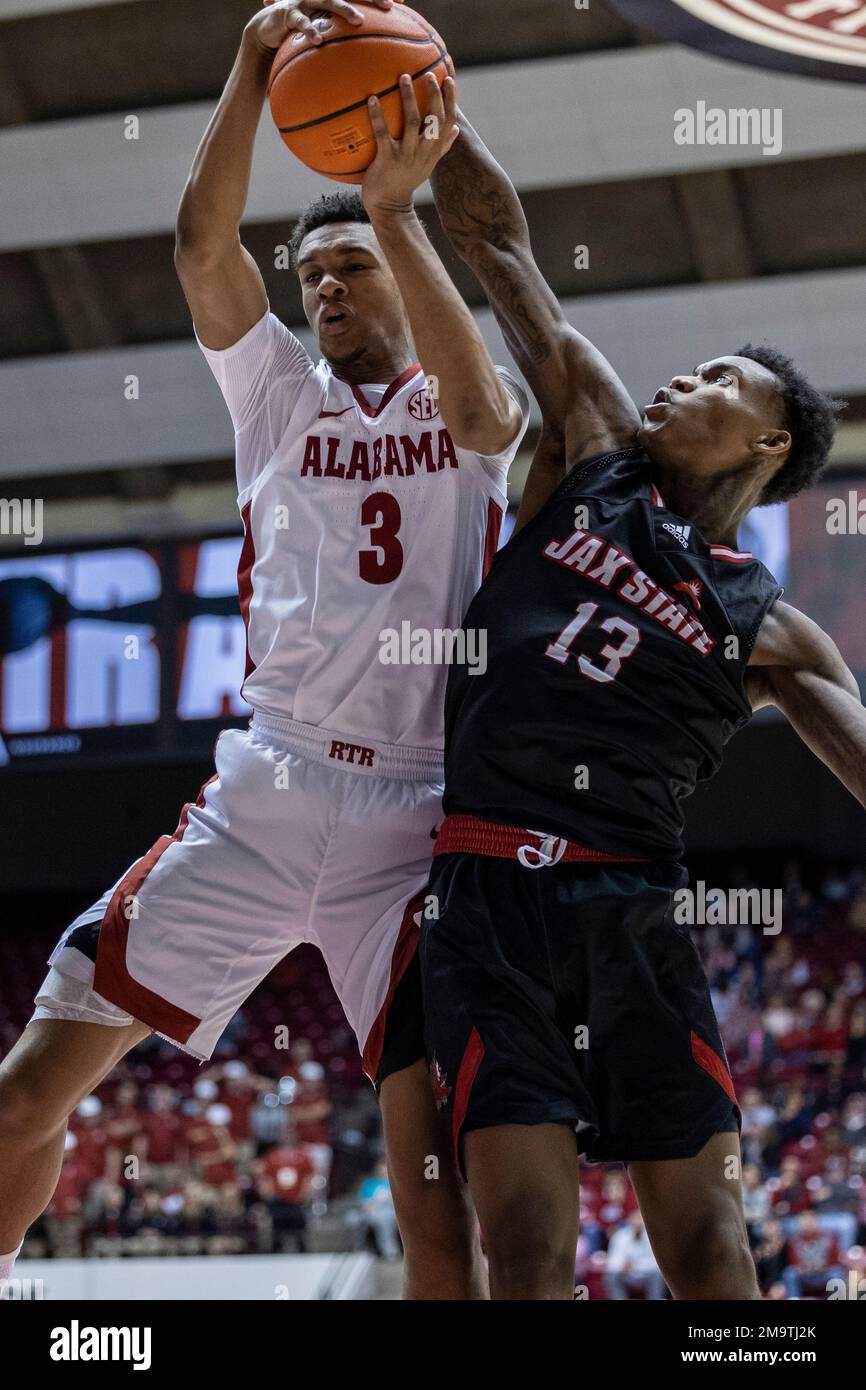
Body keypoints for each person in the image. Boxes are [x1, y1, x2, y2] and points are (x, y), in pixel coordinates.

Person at [0, 1, 529, 1301]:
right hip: (268, 789)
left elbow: (484, 410)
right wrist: (248, 65)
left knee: (434, 1195)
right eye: (313, 279)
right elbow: (198, 245)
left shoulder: (463, 402)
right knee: (26, 1091)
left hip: (413, 815)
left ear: (404, 275)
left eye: (351, 266)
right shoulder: (277, 397)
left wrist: (396, 205)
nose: (329, 288)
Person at [418, 106, 866, 1299]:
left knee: (714, 1250)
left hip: (633, 915)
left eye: (721, 379)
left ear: (768, 441)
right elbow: (501, 251)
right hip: (484, 895)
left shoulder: (768, 625)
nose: (688, 376)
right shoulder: (597, 447)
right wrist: (429, 110)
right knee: (523, 1250)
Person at [604, 1210, 667, 1302]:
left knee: (658, 1274)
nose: (637, 1222)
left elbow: (656, 1263)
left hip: (646, 1274)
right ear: (629, 1220)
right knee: (611, 1275)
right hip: (625, 1274)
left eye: (640, 1219)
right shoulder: (620, 1236)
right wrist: (622, 1266)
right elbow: (612, 1260)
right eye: (635, 1219)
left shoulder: (652, 1237)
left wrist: (636, 1265)